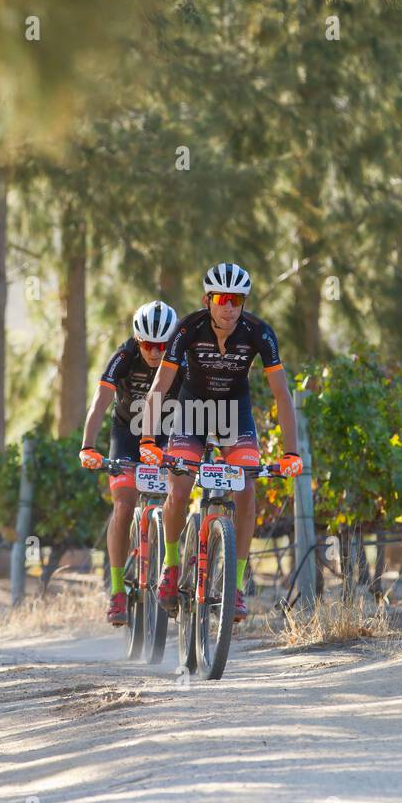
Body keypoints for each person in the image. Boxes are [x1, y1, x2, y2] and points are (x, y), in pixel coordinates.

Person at [139, 263, 302, 621]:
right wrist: (149, 439)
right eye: (223, 299)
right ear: (207, 300)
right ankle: (169, 564)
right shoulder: (188, 328)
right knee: (179, 487)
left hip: (235, 412)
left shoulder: (260, 332)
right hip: (192, 409)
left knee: (246, 487)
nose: (230, 307)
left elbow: (281, 395)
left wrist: (292, 453)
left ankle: (237, 586)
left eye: (237, 300)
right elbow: (161, 386)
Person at [78, 300, 181, 625]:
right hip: (126, 435)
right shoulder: (123, 357)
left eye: (162, 346)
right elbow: (100, 402)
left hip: (166, 432)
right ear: (138, 341)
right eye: (149, 345)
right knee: (123, 505)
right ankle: (118, 589)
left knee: (179, 496)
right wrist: (88, 446)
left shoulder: (182, 358)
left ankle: (172, 567)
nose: (155, 352)